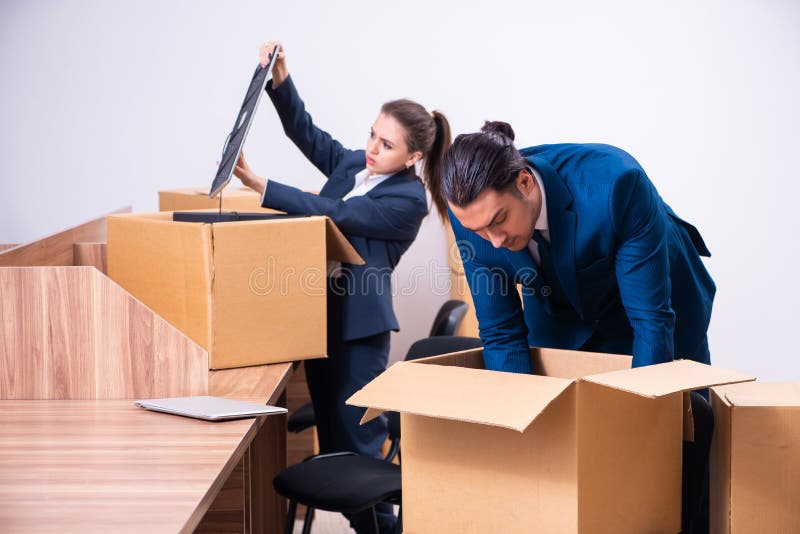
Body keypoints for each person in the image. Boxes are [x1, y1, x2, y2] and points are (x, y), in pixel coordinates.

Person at [439, 121, 715, 533]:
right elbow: (501, 333)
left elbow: (652, 322)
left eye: (499, 220)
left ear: (525, 182)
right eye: (479, 230)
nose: (492, 240)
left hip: (657, 307)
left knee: (677, 442)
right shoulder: (472, 216)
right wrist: (521, 428)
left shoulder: (616, 185)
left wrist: (639, 433)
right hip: (561, 309)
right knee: (560, 440)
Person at [233, 41, 451, 534]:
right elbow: (307, 135)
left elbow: (339, 213)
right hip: (320, 322)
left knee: (360, 448)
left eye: (387, 145)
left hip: (358, 333)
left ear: (413, 155)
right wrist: (282, 81)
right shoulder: (355, 164)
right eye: (372, 136)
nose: (373, 150)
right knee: (334, 451)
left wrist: (262, 186)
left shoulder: (409, 199)